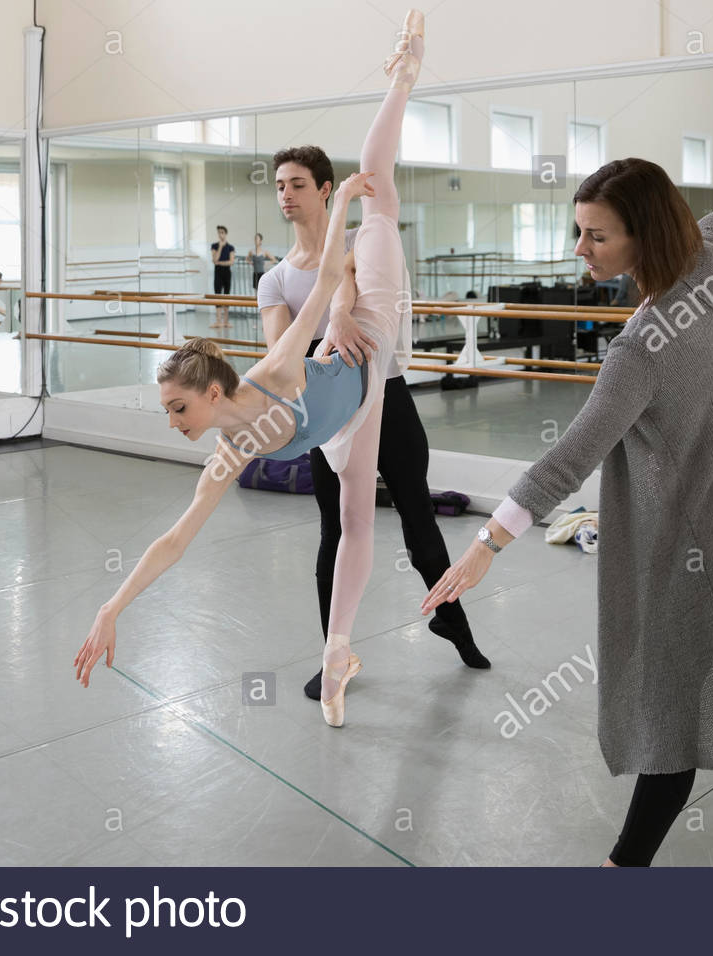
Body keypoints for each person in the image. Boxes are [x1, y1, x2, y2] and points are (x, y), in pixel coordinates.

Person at [423, 68, 713, 867]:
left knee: (671, 713)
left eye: (596, 235)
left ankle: (623, 868)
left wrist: (487, 542)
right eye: (578, 230)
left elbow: (570, 455)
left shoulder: (640, 345)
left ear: (641, 235)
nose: (580, 248)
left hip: (706, 548)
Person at [75, 11, 441, 729]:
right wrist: (110, 606)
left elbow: (332, 281)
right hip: (353, 416)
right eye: (170, 414)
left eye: (180, 410)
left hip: (364, 338)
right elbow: (175, 540)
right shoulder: (232, 448)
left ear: (215, 393)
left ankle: (402, 74)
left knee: (382, 200)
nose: (175, 426)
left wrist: (340, 212)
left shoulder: (275, 373)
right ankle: (338, 653)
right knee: (357, 525)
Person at [257, 19, 488, 704]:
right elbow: (280, 350)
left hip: (388, 400)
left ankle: (455, 625)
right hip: (330, 416)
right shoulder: (274, 279)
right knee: (335, 533)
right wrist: (321, 326)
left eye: (298, 182)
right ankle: (333, 648)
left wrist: (335, 308)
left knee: (417, 519)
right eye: (279, 184)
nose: (286, 193)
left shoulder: (360, 240)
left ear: (329, 189)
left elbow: (352, 280)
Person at [210, 226, 236, 329]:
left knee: (226, 296)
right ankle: (218, 321)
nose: (220, 235)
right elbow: (214, 259)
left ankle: (225, 321)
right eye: (219, 233)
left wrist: (219, 262)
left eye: (222, 233)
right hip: (218, 273)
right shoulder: (214, 246)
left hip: (227, 273)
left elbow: (231, 262)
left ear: (225, 234)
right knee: (217, 296)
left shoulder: (231, 247)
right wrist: (220, 247)